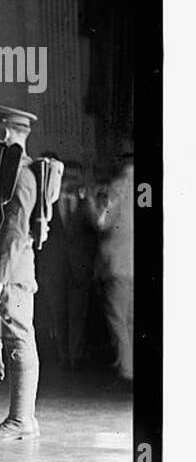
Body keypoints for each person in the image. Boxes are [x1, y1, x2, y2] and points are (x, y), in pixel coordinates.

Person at [0, 104, 42, 441]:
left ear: (4, 133)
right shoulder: (11, 171)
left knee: (18, 339)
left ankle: (22, 419)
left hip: (12, 275)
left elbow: (15, 231)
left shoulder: (21, 174)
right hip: (4, 272)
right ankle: (8, 416)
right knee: (0, 340)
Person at [35, 157, 97, 370]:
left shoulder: (86, 203)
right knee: (57, 312)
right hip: (54, 266)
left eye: (75, 177)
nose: (71, 181)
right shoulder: (48, 201)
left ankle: (76, 356)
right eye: (67, 176)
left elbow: (96, 229)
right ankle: (63, 355)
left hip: (79, 267)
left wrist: (88, 200)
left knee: (78, 312)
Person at [93, 145, 135, 383]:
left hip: (117, 263)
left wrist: (102, 206)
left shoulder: (118, 188)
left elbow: (102, 223)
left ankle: (126, 370)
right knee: (131, 318)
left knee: (117, 317)